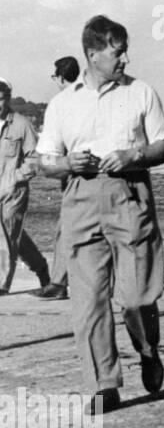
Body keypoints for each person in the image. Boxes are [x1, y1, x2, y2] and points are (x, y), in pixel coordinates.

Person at [36, 16, 164, 412]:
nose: (125, 59)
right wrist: (66, 163)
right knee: (88, 301)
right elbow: (46, 161)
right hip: (80, 198)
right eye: (118, 52)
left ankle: (148, 351)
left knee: (135, 297)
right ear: (93, 54)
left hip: (128, 193)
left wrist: (134, 154)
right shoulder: (63, 104)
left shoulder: (141, 92)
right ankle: (104, 385)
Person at [34, 57, 81, 300]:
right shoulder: (89, 97)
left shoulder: (61, 103)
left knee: (65, 229)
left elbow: (50, 153)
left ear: (61, 78)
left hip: (71, 174)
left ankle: (59, 282)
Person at [0, 78, 51, 296]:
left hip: (13, 191)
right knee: (13, 237)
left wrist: (16, 178)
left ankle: (1, 286)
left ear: (7, 99)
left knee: (8, 236)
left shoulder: (21, 124)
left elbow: (34, 158)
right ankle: (41, 268)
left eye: (1, 99)